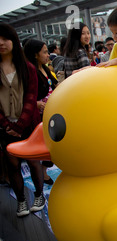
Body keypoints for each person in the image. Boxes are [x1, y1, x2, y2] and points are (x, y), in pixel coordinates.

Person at [0, 23, 45, 217]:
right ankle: (21, 201)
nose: (1, 43)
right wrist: (6, 125)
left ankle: (39, 196)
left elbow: (30, 97)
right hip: (5, 127)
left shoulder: (27, 68)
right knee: (13, 165)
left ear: (13, 40)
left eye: (5, 38)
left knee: (34, 162)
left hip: (28, 125)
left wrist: (19, 125)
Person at [23, 39, 58, 185]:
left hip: (51, 112)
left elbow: (55, 85)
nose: (48, 55)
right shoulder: (29, 71)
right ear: (35, 54)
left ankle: (44, 171)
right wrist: (36, 104)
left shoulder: (46, 69)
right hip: (40, 116)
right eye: (44, 52)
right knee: (45, 144)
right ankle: (42, 174)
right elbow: (25, 94)